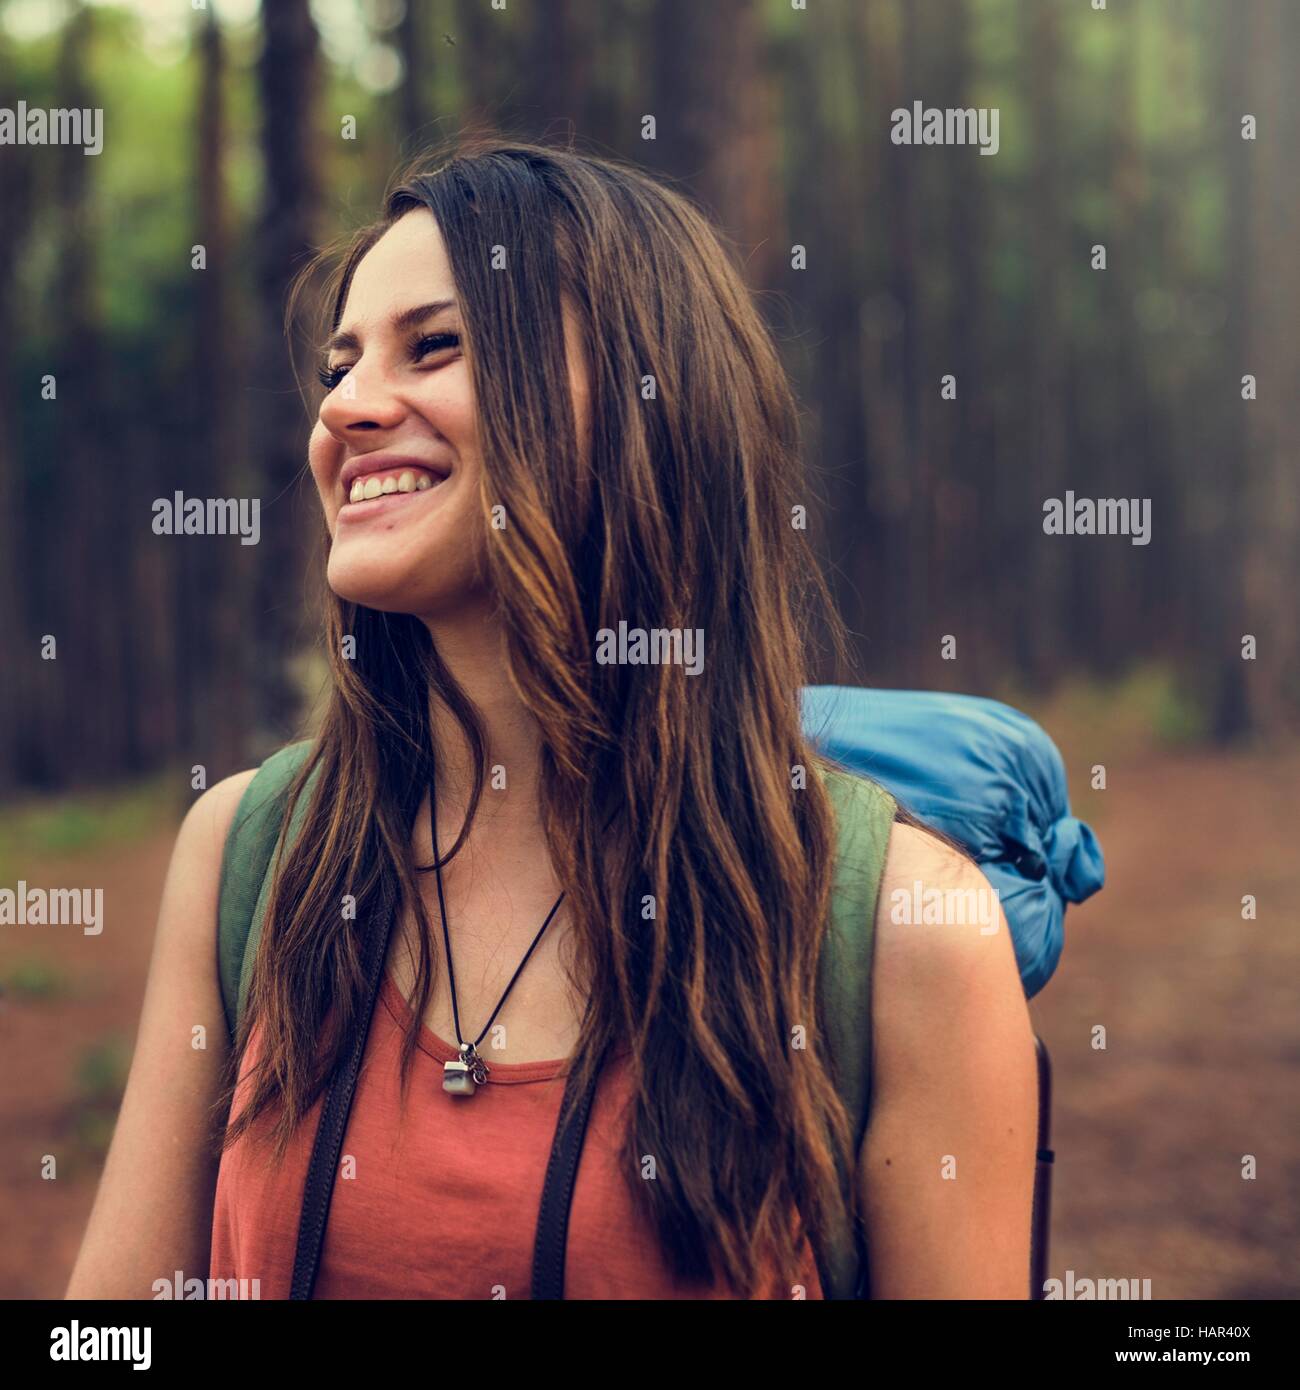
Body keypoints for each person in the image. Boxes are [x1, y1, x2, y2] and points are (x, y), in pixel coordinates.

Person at [67, 138, 1037, 1300]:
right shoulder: (253, 853)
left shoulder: (897, 935)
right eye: (339, 366)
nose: (346, 411)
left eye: (436, 347)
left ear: (643, 402)